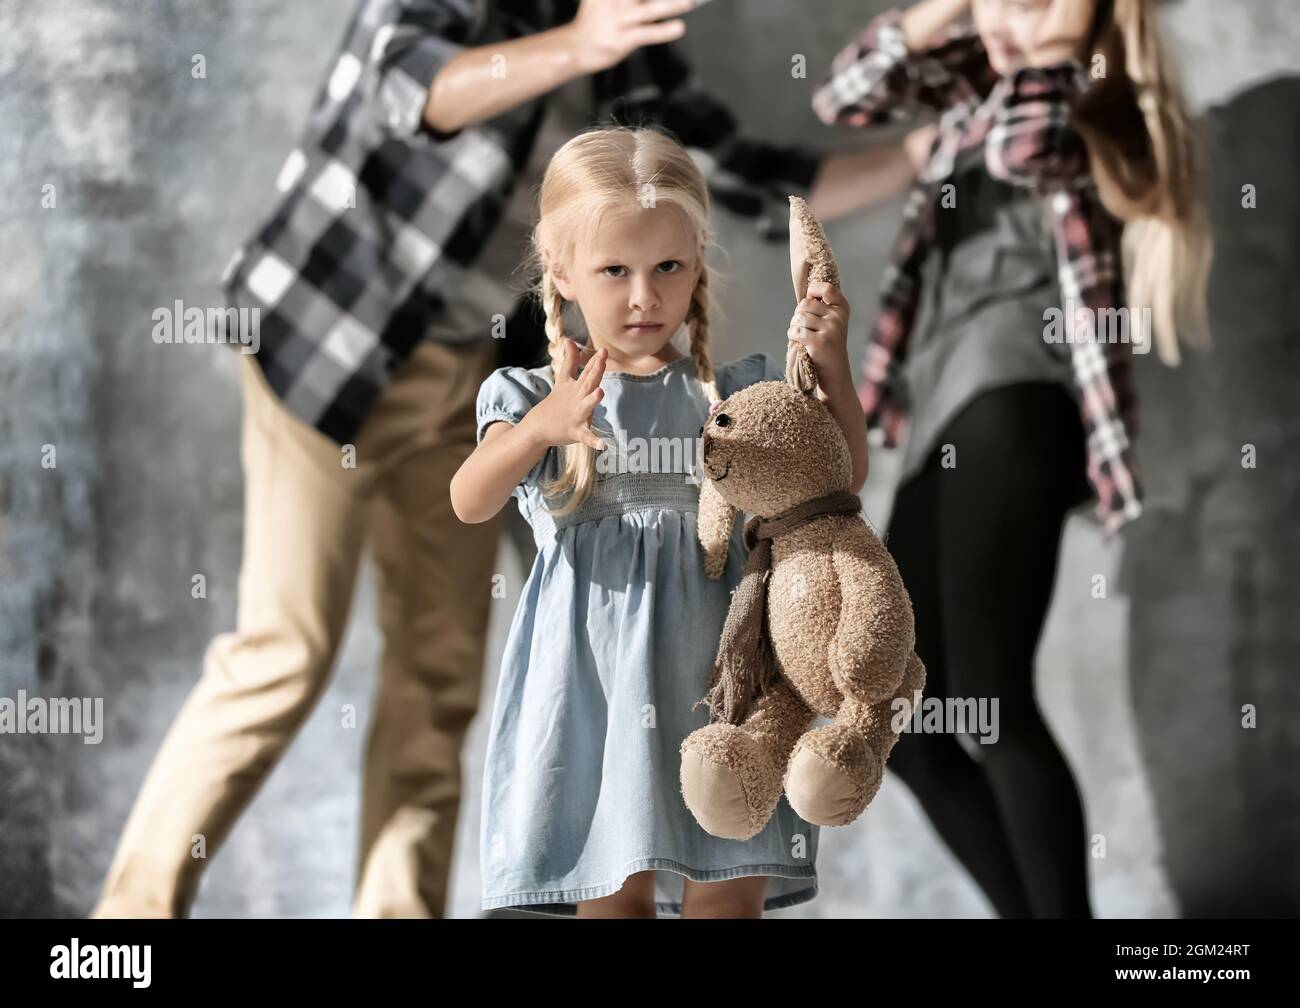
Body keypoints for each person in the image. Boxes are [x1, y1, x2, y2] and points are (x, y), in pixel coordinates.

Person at [91, 0, 833, 919]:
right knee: (285, 652)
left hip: (466, 370)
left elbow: (736, 178)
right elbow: (416, 84)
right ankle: (130, 919)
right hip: (331, 348)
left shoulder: (629, 59)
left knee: (438, 674)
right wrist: (580, 42)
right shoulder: (527, 21)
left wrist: (923, 162)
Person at [810, 0, 1209, 917]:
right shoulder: (976, 96)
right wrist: (963, 12)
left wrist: (1059, 34)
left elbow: (1028, 148)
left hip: (1018, 402)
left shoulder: (1099, 103)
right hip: (937, 420)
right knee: (901, 721)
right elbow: (844, 95)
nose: (1002, 17)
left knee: (990, 701)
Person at [450, 125, 866, 918]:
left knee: (725, 896)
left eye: (667, 266)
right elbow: (470, 499)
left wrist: (833, 363)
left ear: (698, 258)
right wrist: (542, 428)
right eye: (615, 270)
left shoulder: (734, 399)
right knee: (613, 899)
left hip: (722, 686)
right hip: (593, 690)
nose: (644, 296)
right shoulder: (531, 395)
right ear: (562, 272)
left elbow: (838, 474)